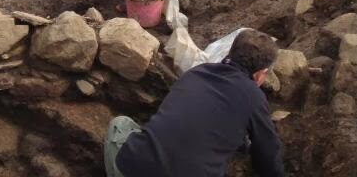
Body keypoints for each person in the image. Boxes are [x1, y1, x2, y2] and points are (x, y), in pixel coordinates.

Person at [103, 28, 283, 177]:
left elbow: (184, 117)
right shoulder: (253, 97)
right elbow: (267, 154)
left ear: (230, 53)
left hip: (133, 168)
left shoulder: (197, 72)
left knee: (120, 124)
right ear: (260, 74)